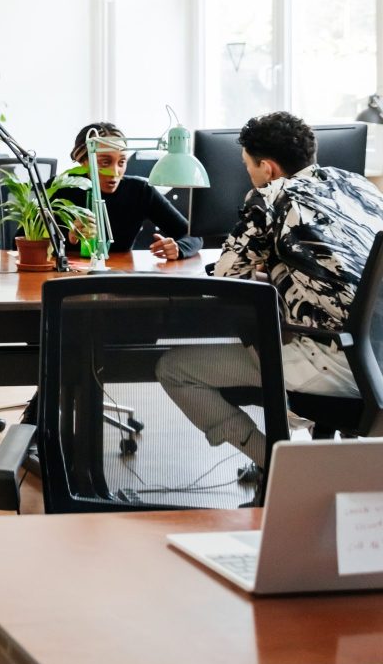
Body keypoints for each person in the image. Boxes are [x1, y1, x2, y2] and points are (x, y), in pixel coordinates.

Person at [157, 111, 383, 465]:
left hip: (335, 361)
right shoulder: (359, 185)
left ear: (269, 168)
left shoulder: (271, 197)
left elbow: (225, 277)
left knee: (174, 368)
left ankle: (278, 465)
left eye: (247, 165)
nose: (246, 173)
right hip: (376, 357)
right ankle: (312, 461)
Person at [59, 121, 201, 261]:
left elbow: (193, 236)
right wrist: (70, 237)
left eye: (121, 162)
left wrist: (178, 248)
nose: (115, 172)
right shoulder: (61, 190)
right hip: (69, 277)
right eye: (105, 162)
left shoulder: (139, 191)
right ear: (83, 161)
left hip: (122, 274)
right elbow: (40, 244)